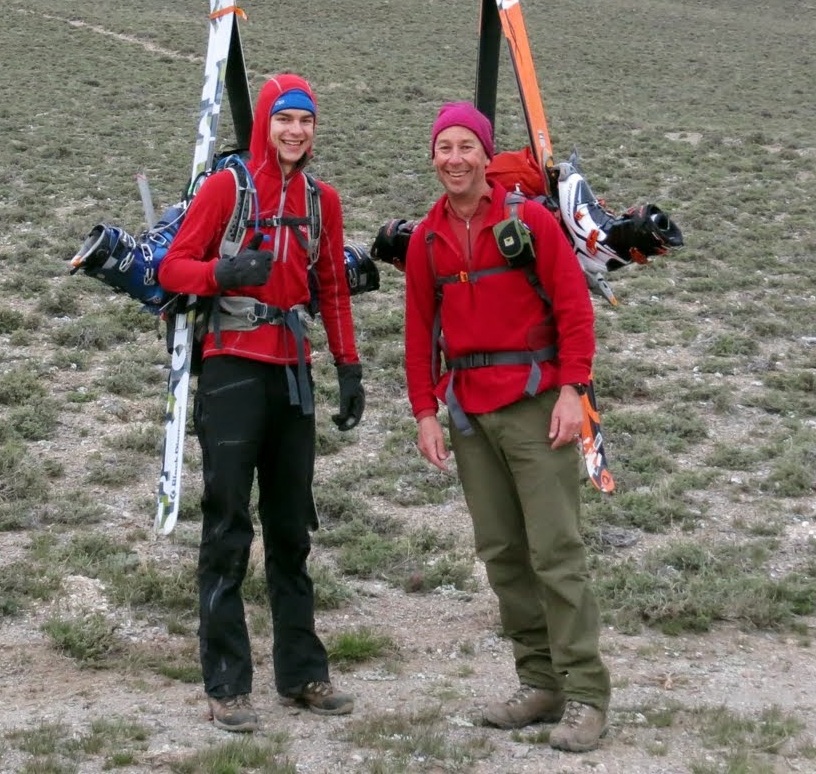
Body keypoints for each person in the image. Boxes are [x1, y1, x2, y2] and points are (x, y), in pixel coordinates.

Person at [159, 73, 366, 734]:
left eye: (306, 121)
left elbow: (332, 283)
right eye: (285, 120)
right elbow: (172, 267)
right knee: (226, 527)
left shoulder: (321, 200)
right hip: (232, 371)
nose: (296, 132)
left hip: (293, 376)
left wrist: (348, 364)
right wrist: (221, 274)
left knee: (289, 529)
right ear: (266, 125)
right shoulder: (229, 188)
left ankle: (302, 673)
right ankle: (226, 683)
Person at [403, 101, 610, 753]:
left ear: (485, 156)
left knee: (556, 551)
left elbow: (575, 309)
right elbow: (417, 333)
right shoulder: (426, 238)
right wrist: (424, 412)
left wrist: (574, 390)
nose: (455, 158)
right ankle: (539, 683)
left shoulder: (530, 223)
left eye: (467, 146)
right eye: (445, 147)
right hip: (467, 413)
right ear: (433, 157)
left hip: (535, 404)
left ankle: (586, 696)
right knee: (502, 554)